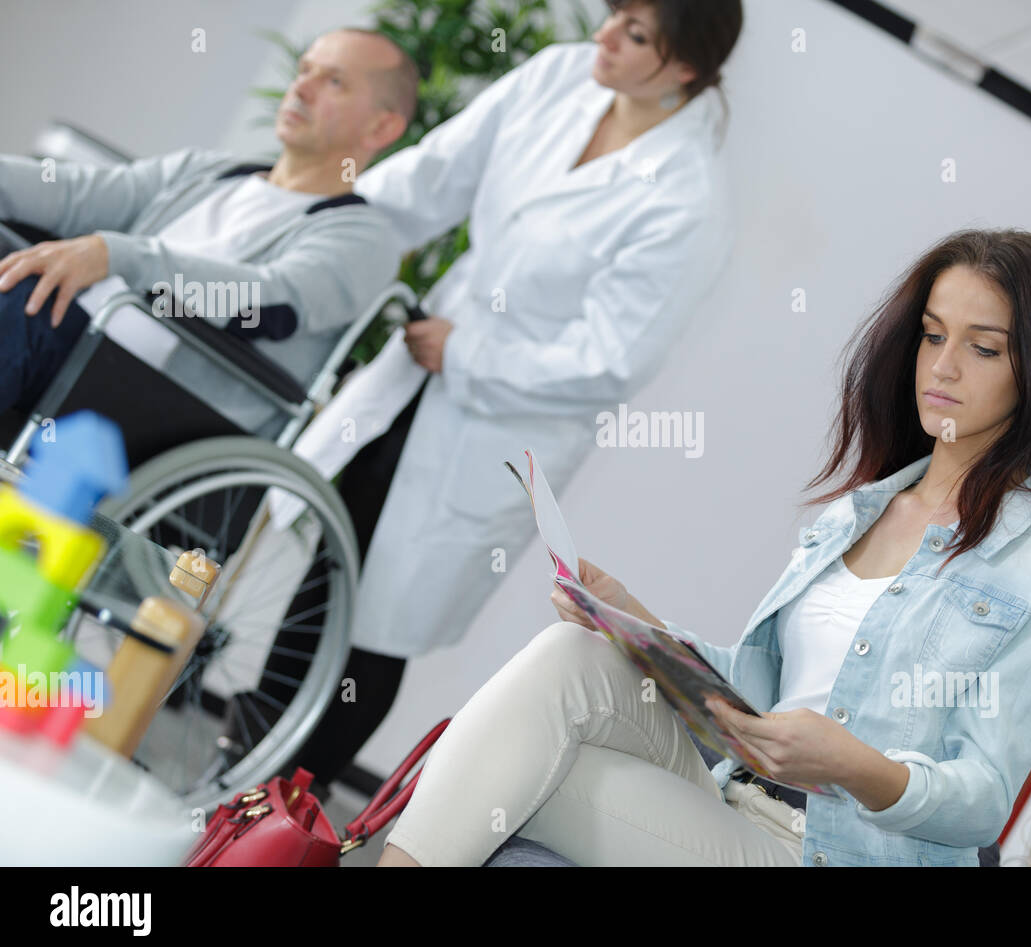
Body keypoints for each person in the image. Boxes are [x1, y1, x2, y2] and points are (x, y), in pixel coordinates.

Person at [375, 228, 1031, 866]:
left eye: (983, 348)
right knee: (569, 658)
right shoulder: (862, 511)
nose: (943, 366)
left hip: (827, 852)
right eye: (933, 333)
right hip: (737, 790)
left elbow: (982, 799)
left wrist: (858, 768)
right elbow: (759, 694)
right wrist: (635, 620)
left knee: (517, 767)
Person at [249, 0, 745, 795]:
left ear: (684, 68)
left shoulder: (687, 200)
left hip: (494, 425)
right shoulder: (557, 79)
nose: (606, 37)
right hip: (413, 381)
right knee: (323, 579)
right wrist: (321, 228)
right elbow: (429, 177)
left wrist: (471, 353)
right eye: (615, 14)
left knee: (377, 632)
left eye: (637, 35)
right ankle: (242, 787)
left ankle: (282, 817)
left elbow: (609, 360)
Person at [0, 28, 415, 437]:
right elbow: (76, 195)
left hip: (156, 406)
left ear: (381, 128)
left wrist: (116, 256)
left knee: (23, 301)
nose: (302, 88)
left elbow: (263, 306)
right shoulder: (208, 172)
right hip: (68, 340)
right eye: (304, 69)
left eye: (335, 81)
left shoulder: (363, 240)